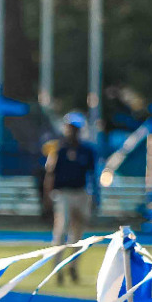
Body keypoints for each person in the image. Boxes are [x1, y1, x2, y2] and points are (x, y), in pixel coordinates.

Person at [43, 112, 98, 284]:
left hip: (80, 193)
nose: (71, 131)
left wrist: (94, 197)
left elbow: (93, 176)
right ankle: (57, 268)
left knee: (78, 234)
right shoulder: (58, 149)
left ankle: (73, 266)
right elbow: (50, 174)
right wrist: (47, 196)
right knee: (61, 231)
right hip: (63, 194)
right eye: (69, 127)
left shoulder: (87, 150)